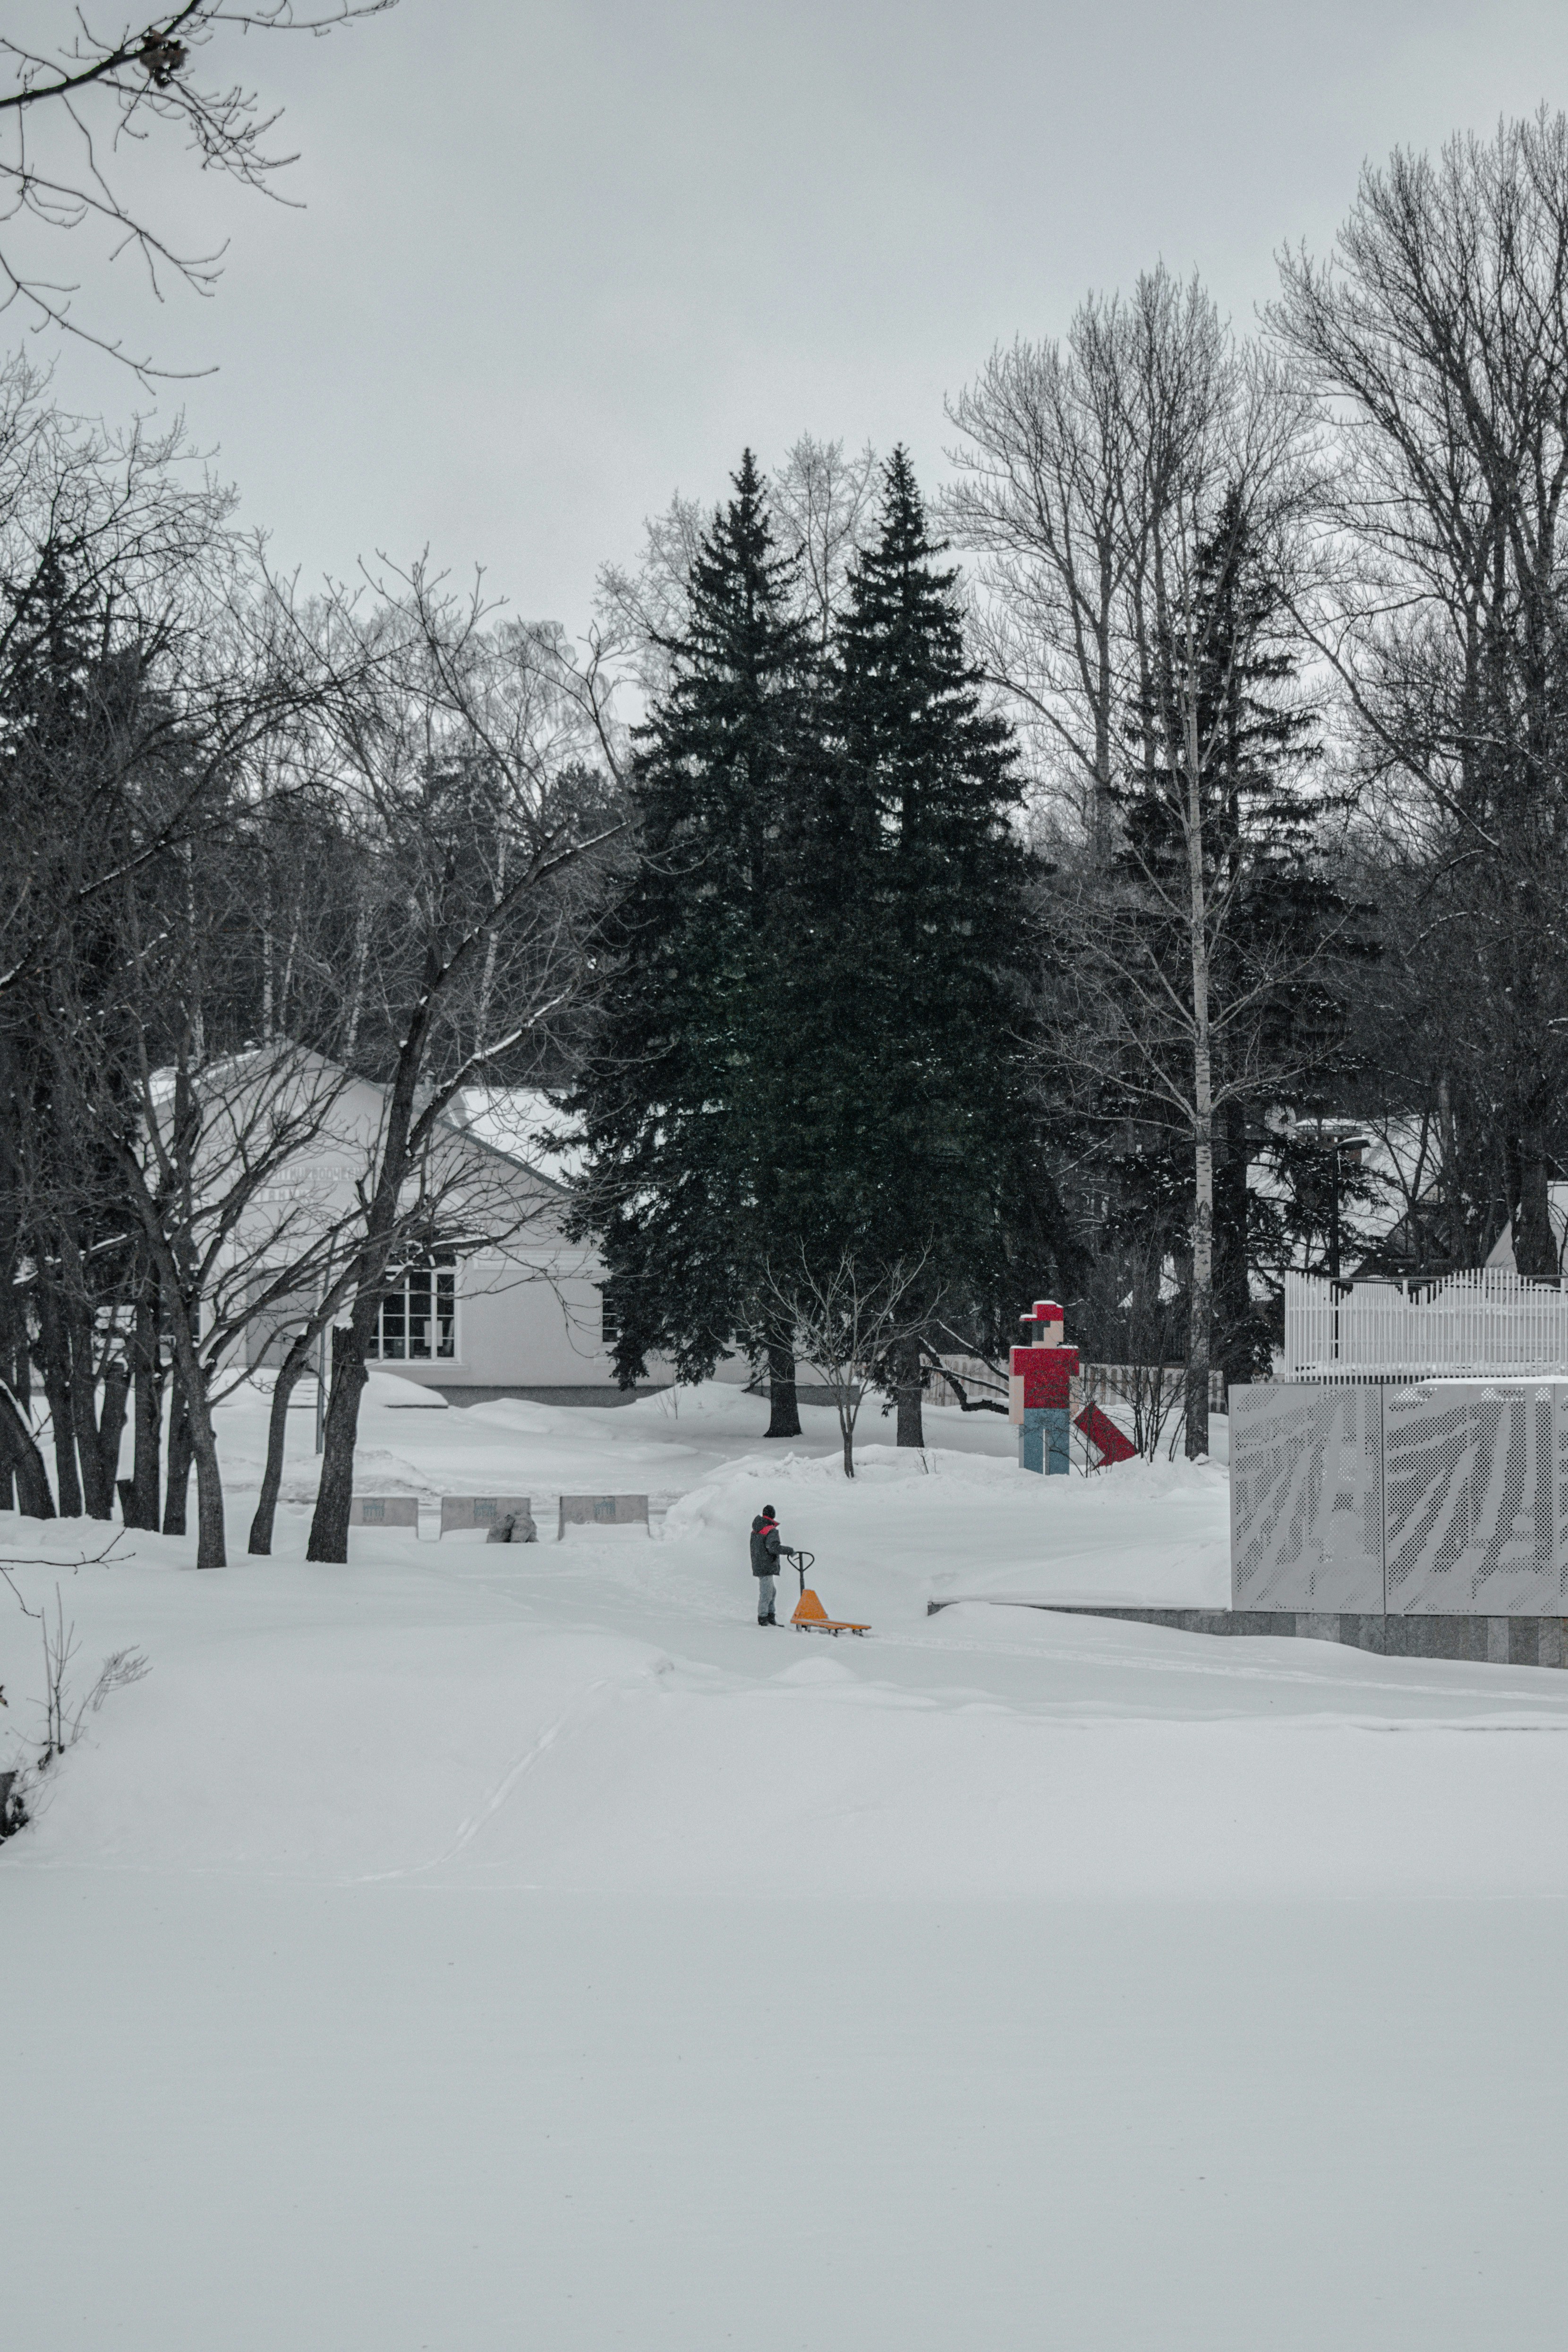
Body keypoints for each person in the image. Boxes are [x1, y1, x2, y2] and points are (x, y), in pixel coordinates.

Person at [749, 1504, 793, 1625]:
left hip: (759, 1564)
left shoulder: (757, 1528)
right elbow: (772, 1547)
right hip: (766, 1565)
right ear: (773, 1515)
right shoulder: (770, 1529)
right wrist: (789, 1551)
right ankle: (763, 1617)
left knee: (772, 1592)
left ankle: (770, 1616)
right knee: (767, 1593)